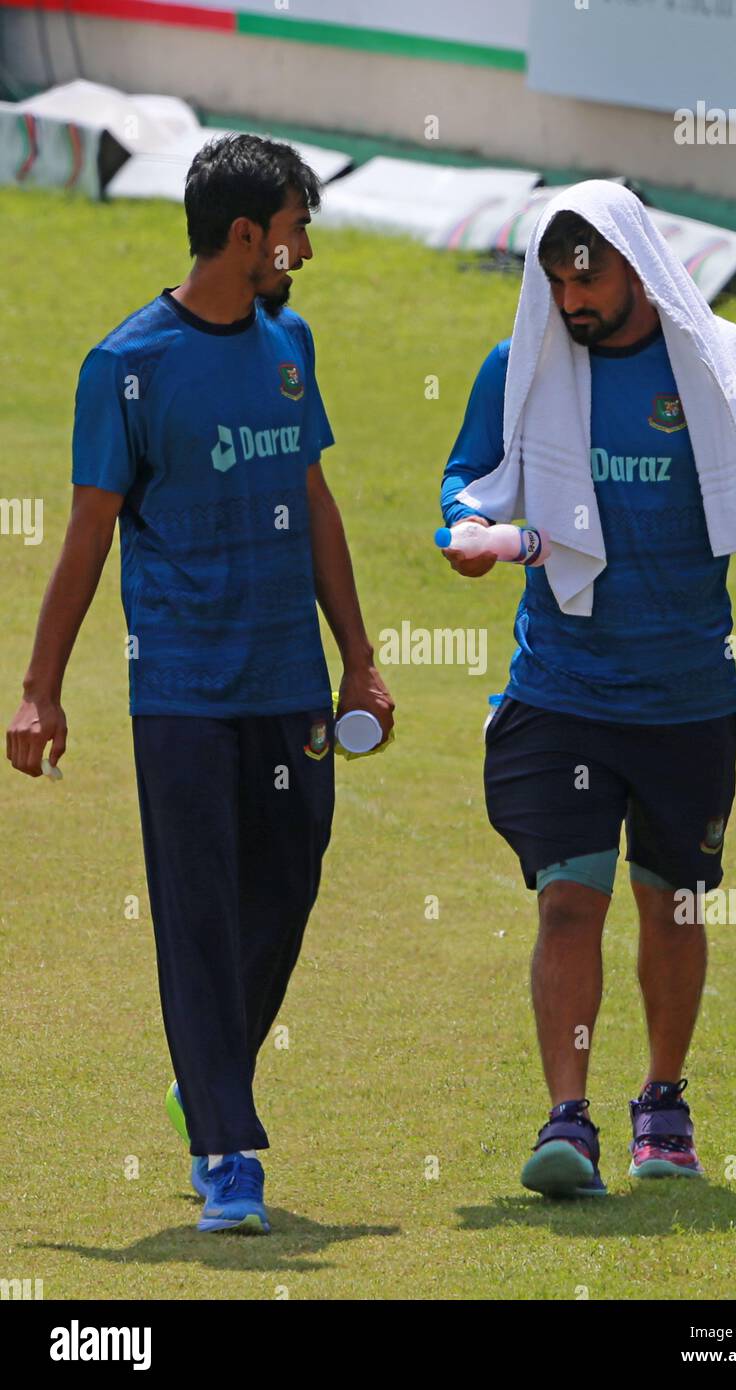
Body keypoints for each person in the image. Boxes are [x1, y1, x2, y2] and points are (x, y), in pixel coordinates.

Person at [440, 180, 736, 1198]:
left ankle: (661, 1102)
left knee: (670, 904)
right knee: (566, 905)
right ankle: (566, 1120)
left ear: (635, 262)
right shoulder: (521, 367)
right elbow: (468, 476)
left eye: (587, 281)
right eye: (556, 283)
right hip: (561, 685)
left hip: (684, 695)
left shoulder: (717, 362)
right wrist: (467, 531)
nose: (570, 303)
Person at [6, 134, 394, 1233]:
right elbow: (87, 536)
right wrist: (41, 689)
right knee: (197, 913)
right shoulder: (125, 366)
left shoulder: (290, 345)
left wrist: (358, 659)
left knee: (286, 884)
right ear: (244, 236)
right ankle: (227, 1147)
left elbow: (312, 501)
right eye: (292, 228)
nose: (302, 249)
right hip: (177, 686)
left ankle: (206, 1066)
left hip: (289, 683)